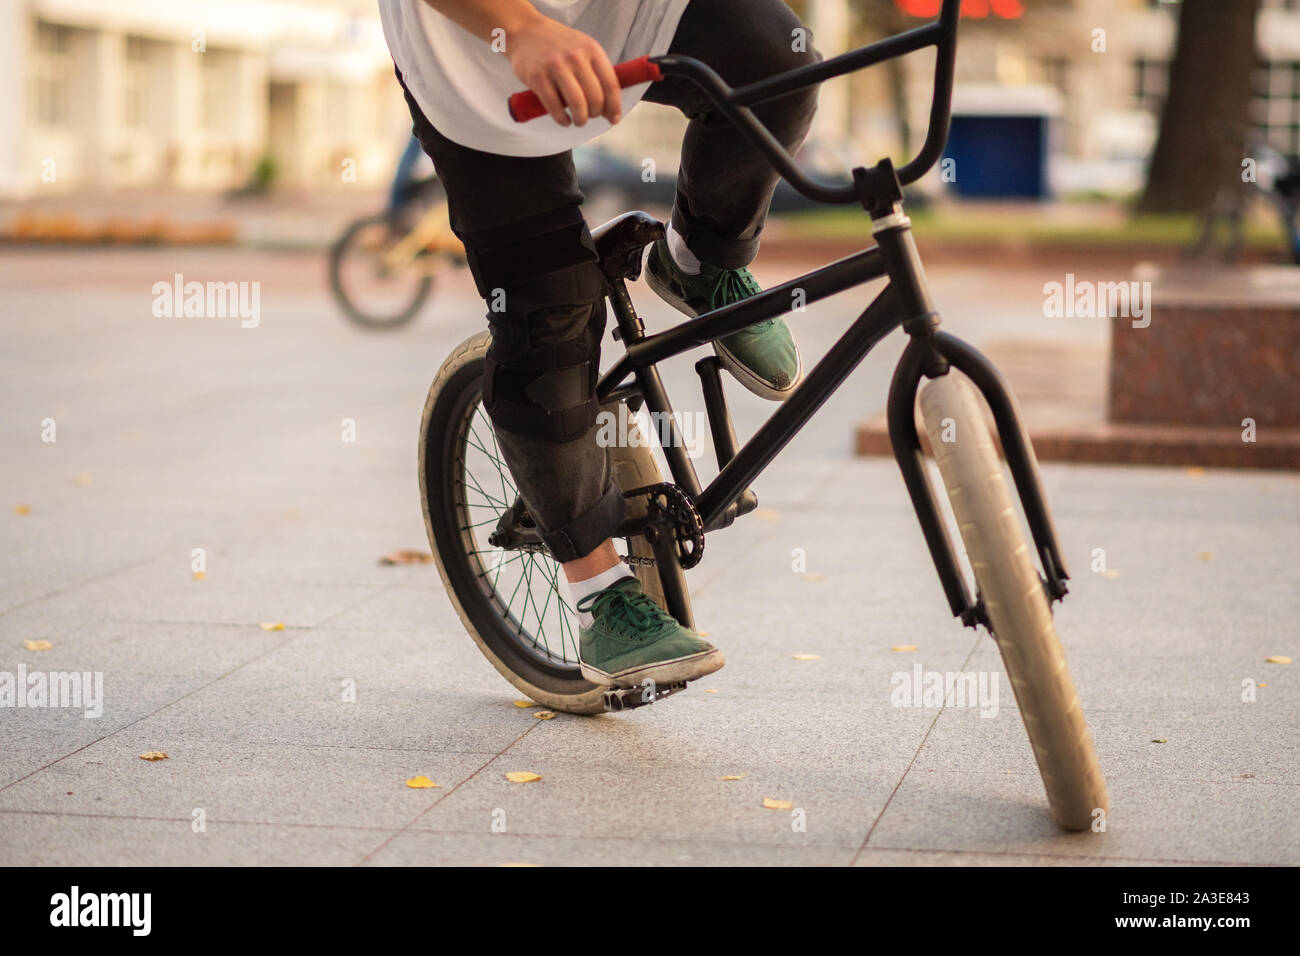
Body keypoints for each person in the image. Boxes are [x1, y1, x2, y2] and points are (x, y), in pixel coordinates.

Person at [379, 0, 819, 688]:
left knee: (778, 67)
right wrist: (519, 29)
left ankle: (703, 258)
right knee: (549, 311)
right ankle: (598, 597)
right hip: (474, 57)